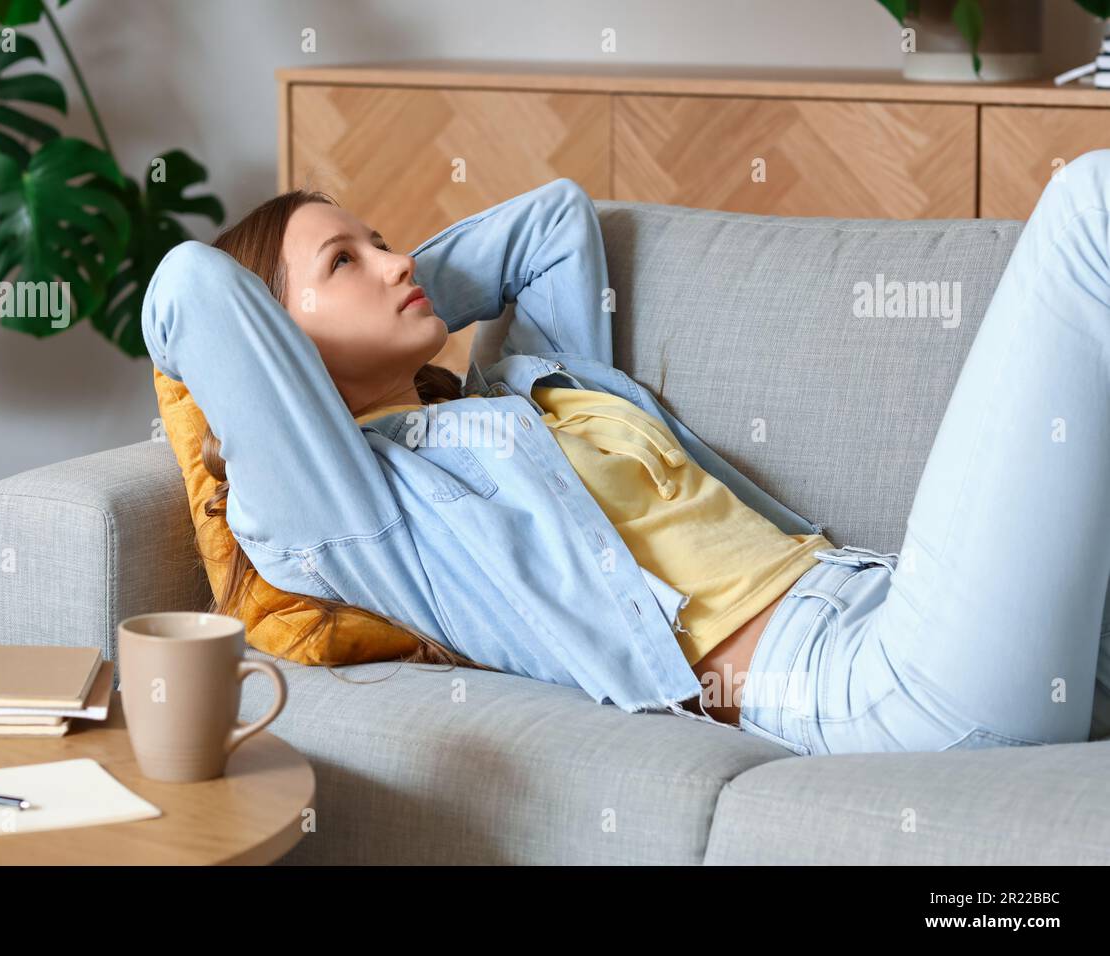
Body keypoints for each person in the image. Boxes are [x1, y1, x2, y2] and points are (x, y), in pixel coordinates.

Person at [142, 156, 1110, 755]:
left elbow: (553, 221)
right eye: (341, 262)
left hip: (880, 595)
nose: (394, 261)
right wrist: (311, 365)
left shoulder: (526, 384)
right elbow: (189, 286)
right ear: (272, 345)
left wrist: (390, 294)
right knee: (1086, 209)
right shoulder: (352, 509)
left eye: (384, 240)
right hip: (863, 687)